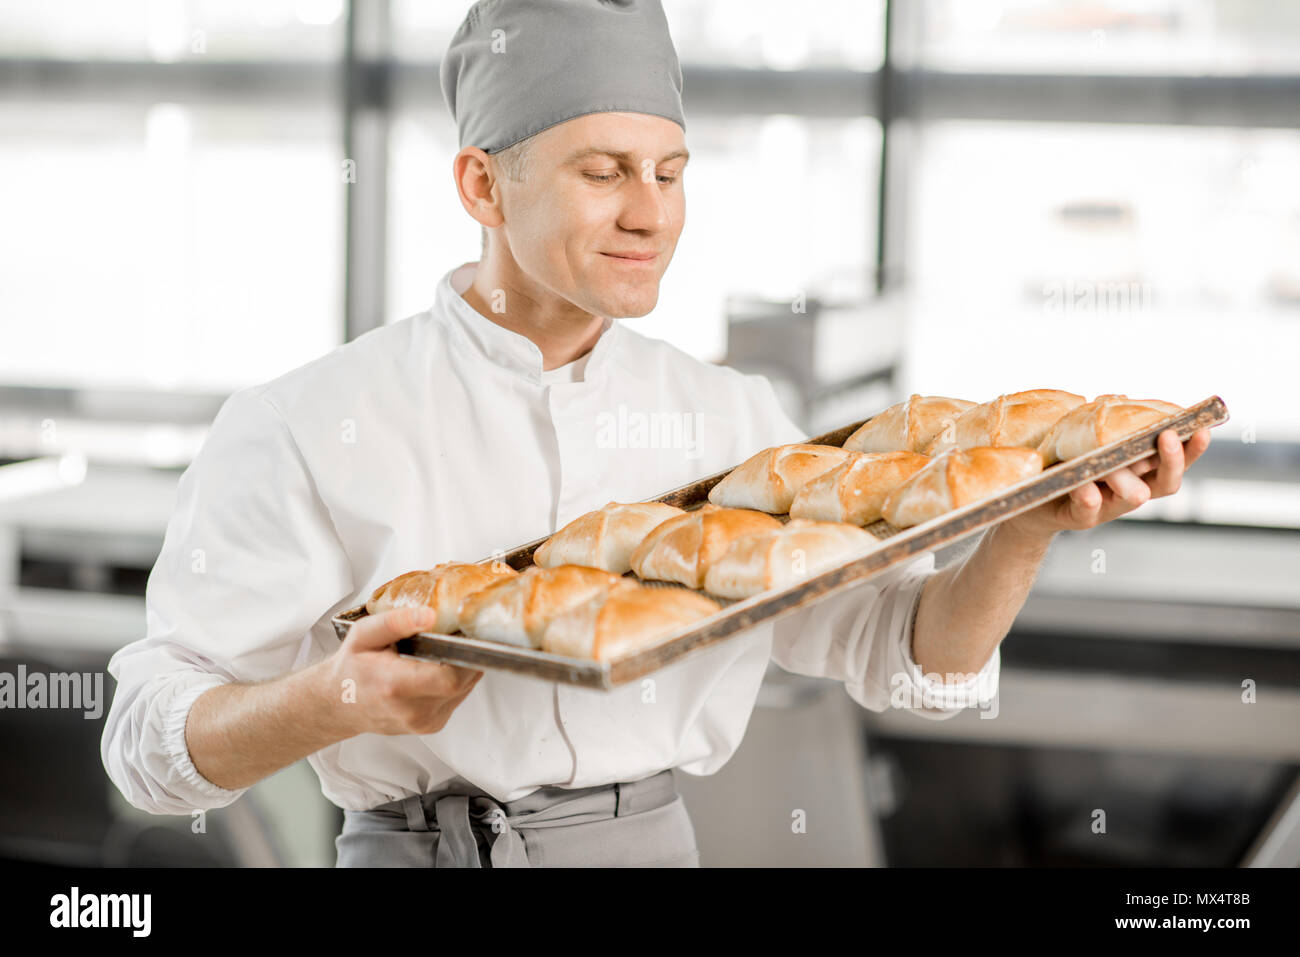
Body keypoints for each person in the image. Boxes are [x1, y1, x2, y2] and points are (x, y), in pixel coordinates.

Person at [101, 0, 1211, 867]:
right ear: (482, 185)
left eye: (670, 173)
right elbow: (146, 740)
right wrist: (327, 699)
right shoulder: (305, 422)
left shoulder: (730, 424)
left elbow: (908, 655)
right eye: (603, 172)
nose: (649, 212)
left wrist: (1027, 523)